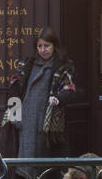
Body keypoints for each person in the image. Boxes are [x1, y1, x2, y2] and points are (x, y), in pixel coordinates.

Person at [7, 27, 77, 161]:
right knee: (24, 164)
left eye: (47, 46)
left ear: (54, 46)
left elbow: (70, 89)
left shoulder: (63, 65)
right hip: (26, 122)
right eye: (40, 46)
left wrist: (59, 98)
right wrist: (15, 118)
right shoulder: (27, 64)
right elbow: (14, 89)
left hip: (49, 126)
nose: (43, 50)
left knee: (45, 164)